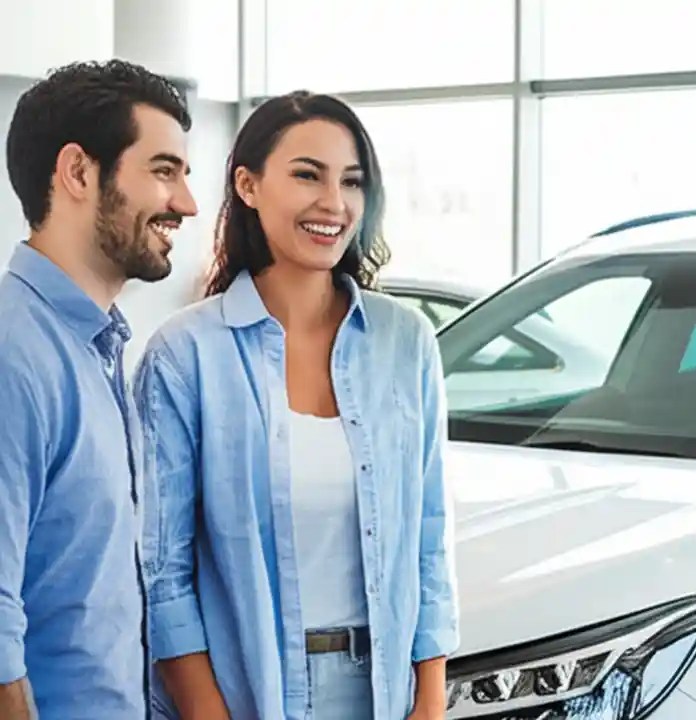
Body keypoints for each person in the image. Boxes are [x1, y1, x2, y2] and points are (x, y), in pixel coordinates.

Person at [132, 90, 458, 720]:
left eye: (352, 182)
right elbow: (162, 572)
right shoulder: (185, 355)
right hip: (241, 692)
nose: (334, 203)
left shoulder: (406, 342)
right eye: (308, 174)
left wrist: (430, 701)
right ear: (248, 185)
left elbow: (429, 543)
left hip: (381, 693)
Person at [0, 60, 197, 719]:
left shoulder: (99, 349)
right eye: (164, 170)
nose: (187, 203)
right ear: (79, 173)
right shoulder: (14, 353)